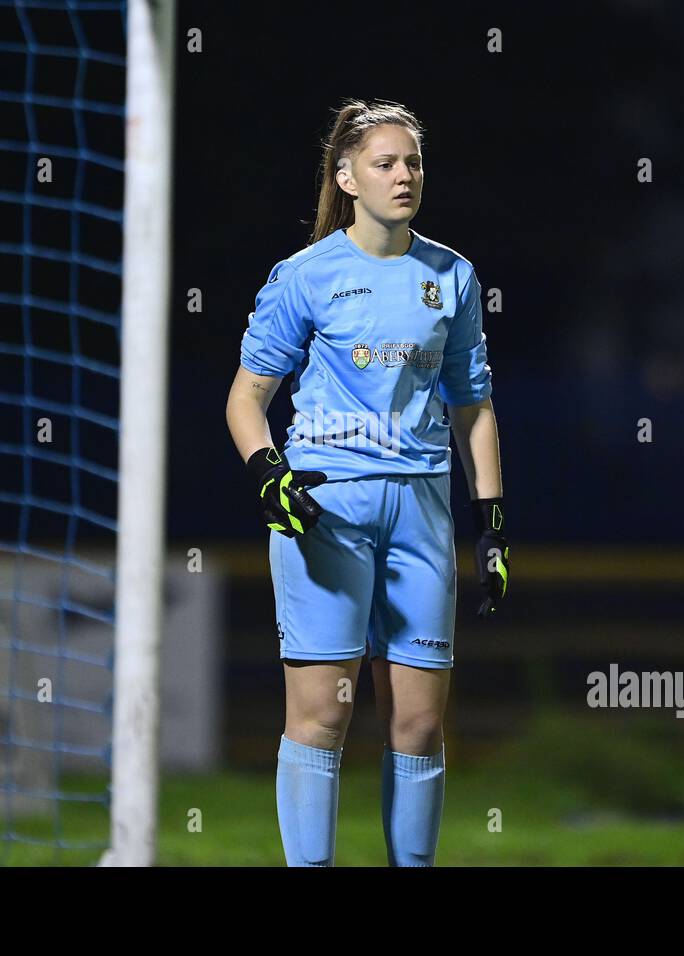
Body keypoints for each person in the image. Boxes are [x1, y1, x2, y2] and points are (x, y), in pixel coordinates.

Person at [224, 98, 509, 866]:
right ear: (347, 177)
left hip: (421, 513)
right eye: (385, 163)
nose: (403, 175)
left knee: (417, 725)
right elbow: (246, 399)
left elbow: (471, 405)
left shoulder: (451, 276)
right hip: (326, 510)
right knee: (321, 717)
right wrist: (268, 477)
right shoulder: (305, 276)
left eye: (412, 161)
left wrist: (491, 524)